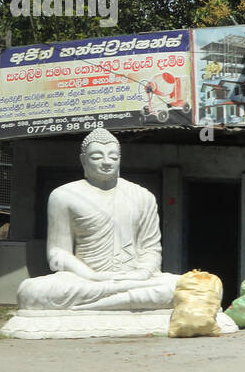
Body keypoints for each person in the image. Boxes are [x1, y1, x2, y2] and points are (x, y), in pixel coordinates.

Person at [17, 128, 180, 311]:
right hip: (85, 280)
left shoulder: (142, 196)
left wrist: (141, 274)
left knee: (184, 287)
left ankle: (98, 306)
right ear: (83, 160)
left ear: (120, 159)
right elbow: (57, 253)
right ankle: (125, 302)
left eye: (113, 156)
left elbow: (151, 248)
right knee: (31, 291)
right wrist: (91, 276)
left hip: (136, 279)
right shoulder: (63, 195)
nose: (106, 162)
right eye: (96, 157)